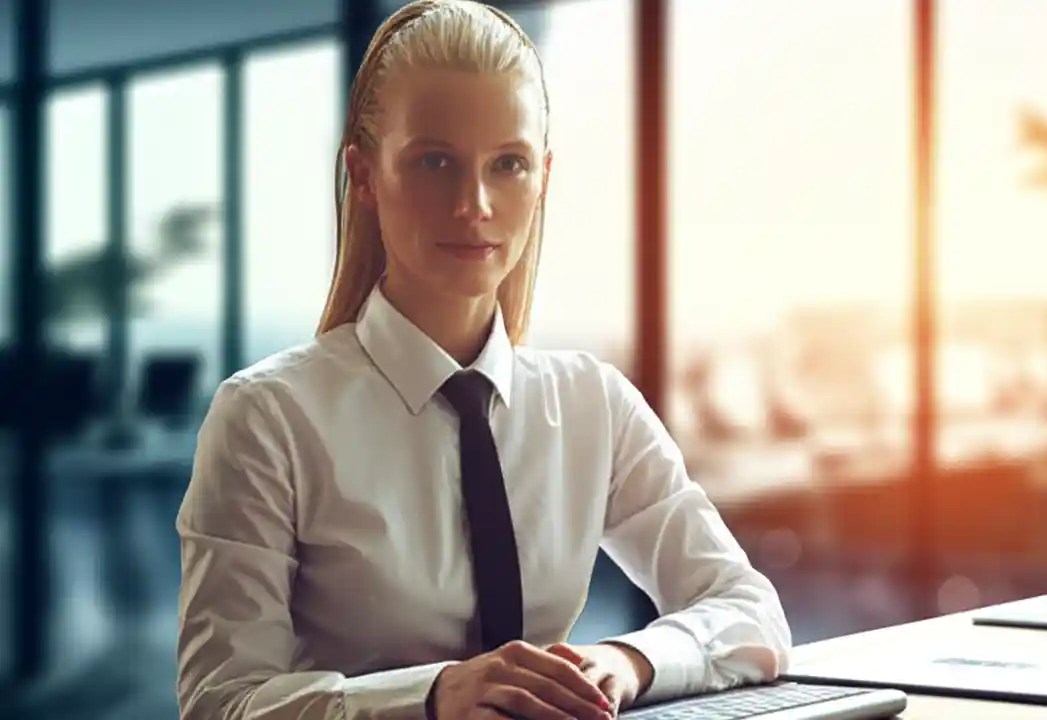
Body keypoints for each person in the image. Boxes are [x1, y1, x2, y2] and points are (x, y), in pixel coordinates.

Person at [174, 1, 791, 718]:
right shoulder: (268, 420)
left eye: (509, 165)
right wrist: (432, 697)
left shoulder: (592, 404)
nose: (474, 204)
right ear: (365, 176)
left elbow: (748, 610)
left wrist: (628, 660)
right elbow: (218, 701)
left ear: (543, 179)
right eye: (435, 162)